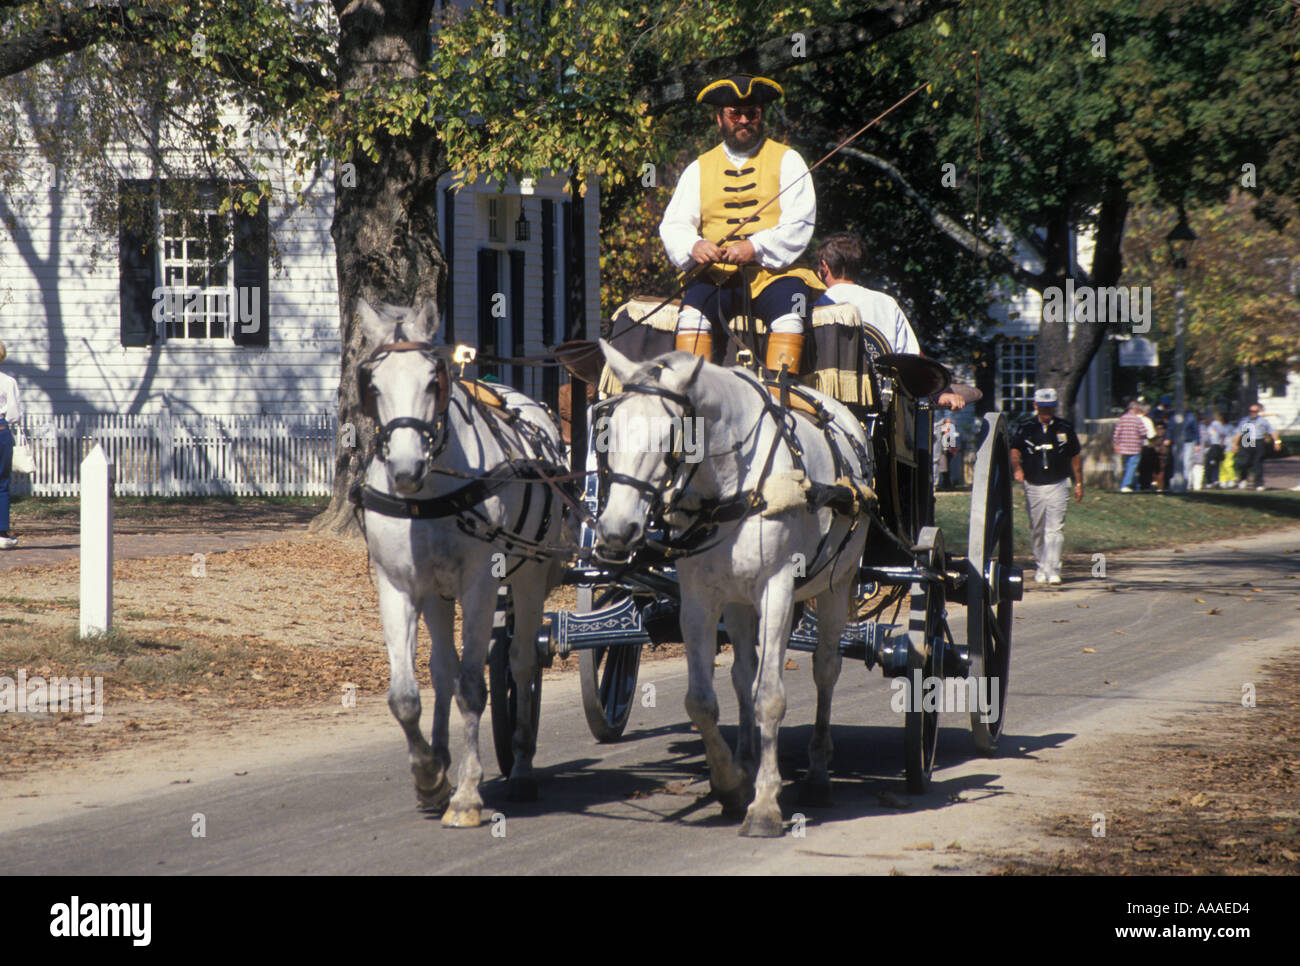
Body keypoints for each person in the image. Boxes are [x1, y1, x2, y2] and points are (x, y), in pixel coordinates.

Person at [659, 74, 823, 375]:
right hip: (716, 277)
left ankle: (781, 399)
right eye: (735, 113)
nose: (744, 120)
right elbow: (674, 224)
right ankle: (693, 404)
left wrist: (755, 247)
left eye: (753, 113)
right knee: (691, 318)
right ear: (719, 119)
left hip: (776, 275)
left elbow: (799, 220)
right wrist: (694, 246)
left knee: (792, 314)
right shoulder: (698, 169)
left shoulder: (789, 160)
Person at [813, 233, 967, 410]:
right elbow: (913, 358)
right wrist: (941, 392)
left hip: (821, 404)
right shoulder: (886, 303)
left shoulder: (812, 303)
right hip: (881, 411)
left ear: (824, 266)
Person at [1010, 387, 1082, 585]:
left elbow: (1075, 454)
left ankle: (1054, 569)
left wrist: (1079, 482)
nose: (1046, 413)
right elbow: (1015, 450)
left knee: (1055, 529)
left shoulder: (1065, 428)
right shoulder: (1026, 427)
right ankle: (1041, 566)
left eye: (1050, 408)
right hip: (1034, 484)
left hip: (1059, 482)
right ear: (1036, 406)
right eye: (1043, 408)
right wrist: (1017, 469)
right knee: (1038, 528)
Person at [0, 340, 22, 549]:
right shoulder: (7, 381)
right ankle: (2, 532)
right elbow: (14, 415)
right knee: (2, 484)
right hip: (0, 429)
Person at [1232, 403, 1277, 490]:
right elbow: (1238, 433)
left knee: (1257, 463)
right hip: (1247, 440)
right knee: (1244, 462)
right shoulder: (1244, 420)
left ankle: (1259, 483)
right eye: (1251, 411)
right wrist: (1235, 445)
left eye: (1255, 411)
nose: (1252, 413)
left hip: (1258, 441)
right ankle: (1243, 478)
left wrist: (1277, 442)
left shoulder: (1263, 421)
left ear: (1258, 411)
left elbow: (1272, 432)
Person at [1111, 397, 1147, 492]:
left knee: (1128, 466)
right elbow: (1144, 433)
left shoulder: (1122, 419)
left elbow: (1116, 434)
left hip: (1124, 447)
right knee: (1132, 466)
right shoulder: (1137, 420)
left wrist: (1116, 445)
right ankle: (1125, 485)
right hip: (1135, 447)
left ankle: (1134, 486)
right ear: (1135, 409)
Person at [1203, 411, 1229, 488]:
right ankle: (1212, 480)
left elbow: (1223, 434)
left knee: (1212, 463)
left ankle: (1212, 481)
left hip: (1215, 446)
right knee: (1212, 463)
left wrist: (1221, 444)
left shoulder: (1216, 424)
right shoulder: (1208, 426)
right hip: (1210, 446)